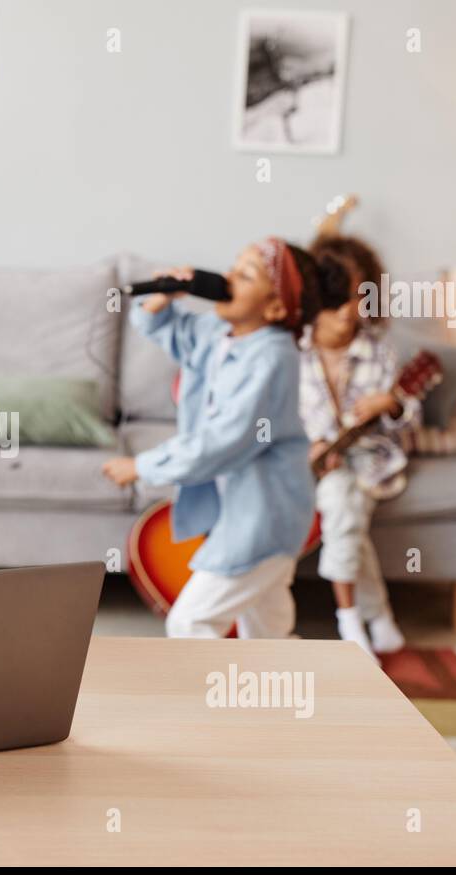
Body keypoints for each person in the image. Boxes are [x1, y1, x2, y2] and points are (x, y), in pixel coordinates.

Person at [102, 238, 319, 640]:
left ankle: (205, 699)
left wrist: (142, 466)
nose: (229, 276)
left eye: (247, 274)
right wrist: (165, 295)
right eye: (234, 266)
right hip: (249, 512)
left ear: (275, 307)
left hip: (264, 514)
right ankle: (287, 694)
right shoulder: (220, 331)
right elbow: (166, 328)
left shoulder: (272, 357)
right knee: (268, 631)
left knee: (191, 622)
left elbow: (224, 441)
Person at [300, 235, 418, 658]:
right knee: (346, 514)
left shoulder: (378, 352)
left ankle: (348, 619)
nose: (351, 311)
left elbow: (409, 418)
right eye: (340, 300)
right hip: (308, 462)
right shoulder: (291, 350)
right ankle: (380, 618)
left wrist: (391, 404)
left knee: (341, 504)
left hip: (368, 458)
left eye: (360, 297)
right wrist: (310, 442)